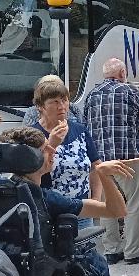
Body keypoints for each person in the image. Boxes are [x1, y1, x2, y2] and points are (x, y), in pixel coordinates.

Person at [0, 127, 133, 276]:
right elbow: (116, 211)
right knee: (94, 263)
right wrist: (103, 174)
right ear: (27, 159)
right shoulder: (45, 199)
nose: (53, 150)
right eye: (45, 149)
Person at [82, 58, 139, 266]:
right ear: (123, 73)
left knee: (108, 205)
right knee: (135, 203)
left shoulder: (91, 95)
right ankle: (134, 251)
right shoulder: (130, 91)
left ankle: (111, 250)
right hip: (128, 159)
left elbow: (85, 125)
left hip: (101, 162)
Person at [30, 79, 102, 231]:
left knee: (86, 252)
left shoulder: (80, 130)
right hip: (48, 213)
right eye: (54, 102)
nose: (61, 106)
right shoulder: (33, 136)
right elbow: (30, 175)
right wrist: (52, 144)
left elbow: (96, 166)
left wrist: (95, 200)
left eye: (64, 100)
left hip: (81, 212)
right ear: (41, 107)